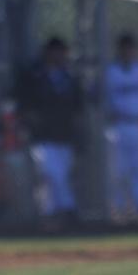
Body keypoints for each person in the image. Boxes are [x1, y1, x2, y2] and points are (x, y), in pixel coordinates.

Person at [15, 37, 85, 222]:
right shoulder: (35, 76)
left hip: (65, 134)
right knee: (51, 173)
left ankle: (53, 213)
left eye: (62, 51)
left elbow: (78, 106)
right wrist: (30, 120)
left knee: (61, 174)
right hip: (43, 135)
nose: (59, 55)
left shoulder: (69, 77)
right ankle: (65, 209)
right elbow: (24, 102)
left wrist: (79, 132)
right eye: (55, 51)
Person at [105, 33, 138, 221]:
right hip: (117, 126)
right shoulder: (111, 71)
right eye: (125, 47)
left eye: (131, 47)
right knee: (118, 170)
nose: (129, 51)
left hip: (137, 124)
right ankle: (119, 209)